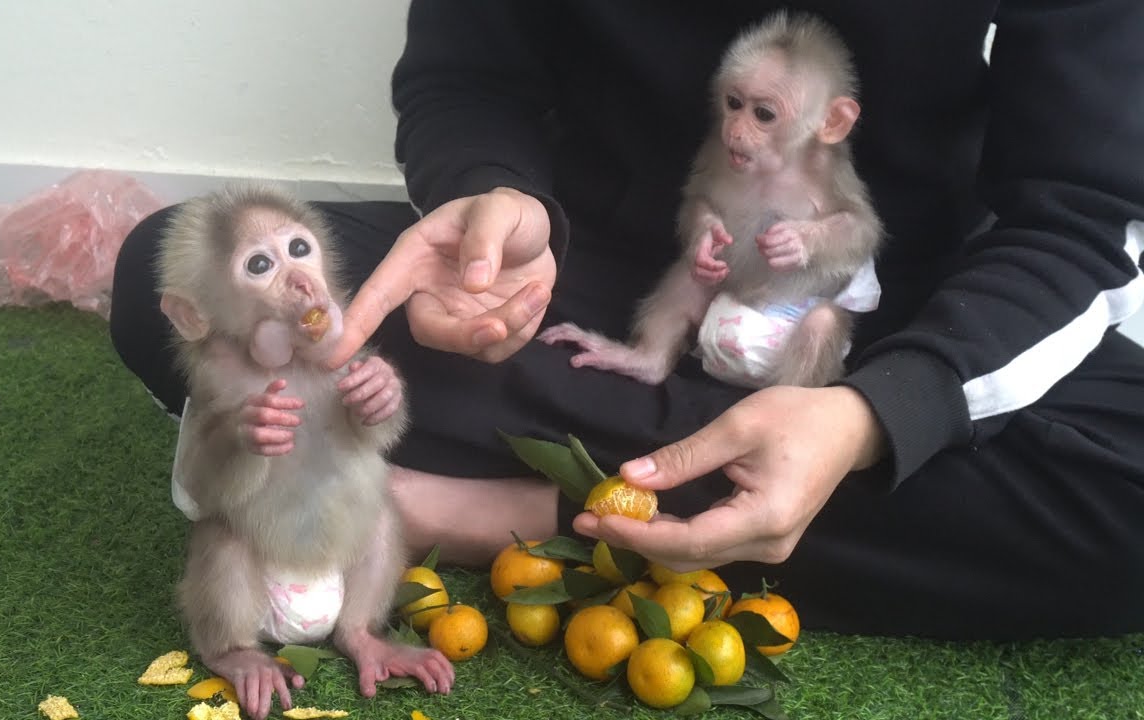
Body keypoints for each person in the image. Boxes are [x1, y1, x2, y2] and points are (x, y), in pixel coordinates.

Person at [110, 2, 1144, 640]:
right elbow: (467, 77)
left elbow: (1077, 212)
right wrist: (489, 198)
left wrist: (877, 415)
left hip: (882, 314)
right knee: (176, 284)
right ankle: (698, 491)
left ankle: (481, 509)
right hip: (576, 285)